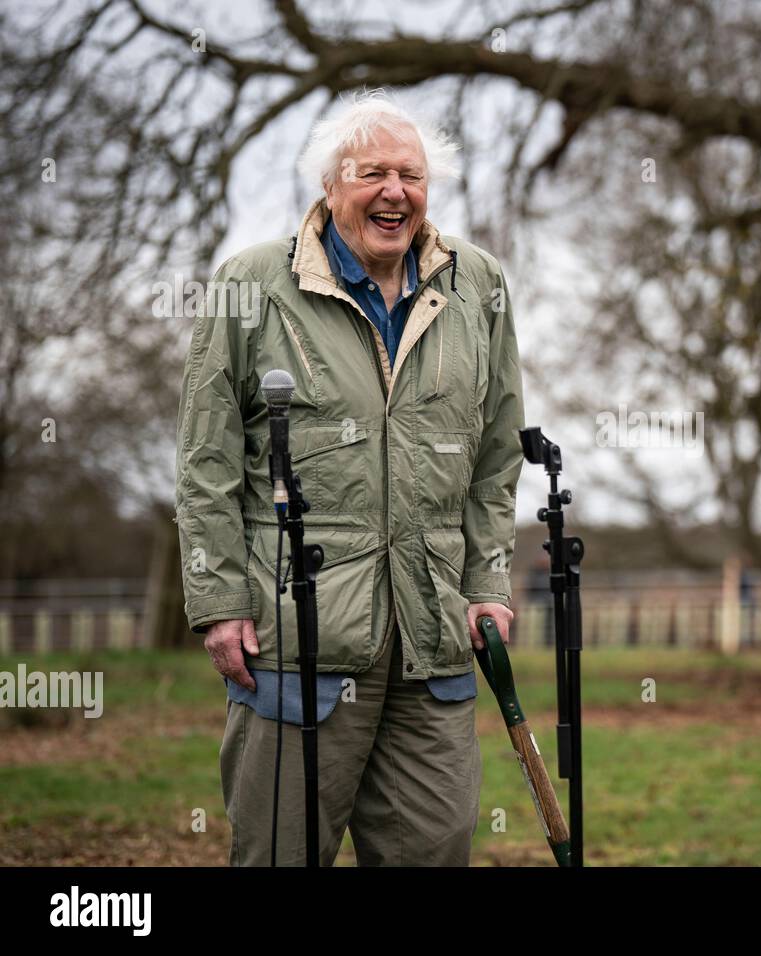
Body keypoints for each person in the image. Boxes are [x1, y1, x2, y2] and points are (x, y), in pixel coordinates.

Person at [174, 90, 524, 866]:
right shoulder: (252, 284)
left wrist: (489, 582)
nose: (396, 192)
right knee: (279, 853)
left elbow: (498, 457)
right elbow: (206, 461)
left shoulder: (480, 286)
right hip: (294, 639)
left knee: (434, 850)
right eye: (374, 174)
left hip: (431, 638)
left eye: (413, 176)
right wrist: (220, 600)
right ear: (330, 185)